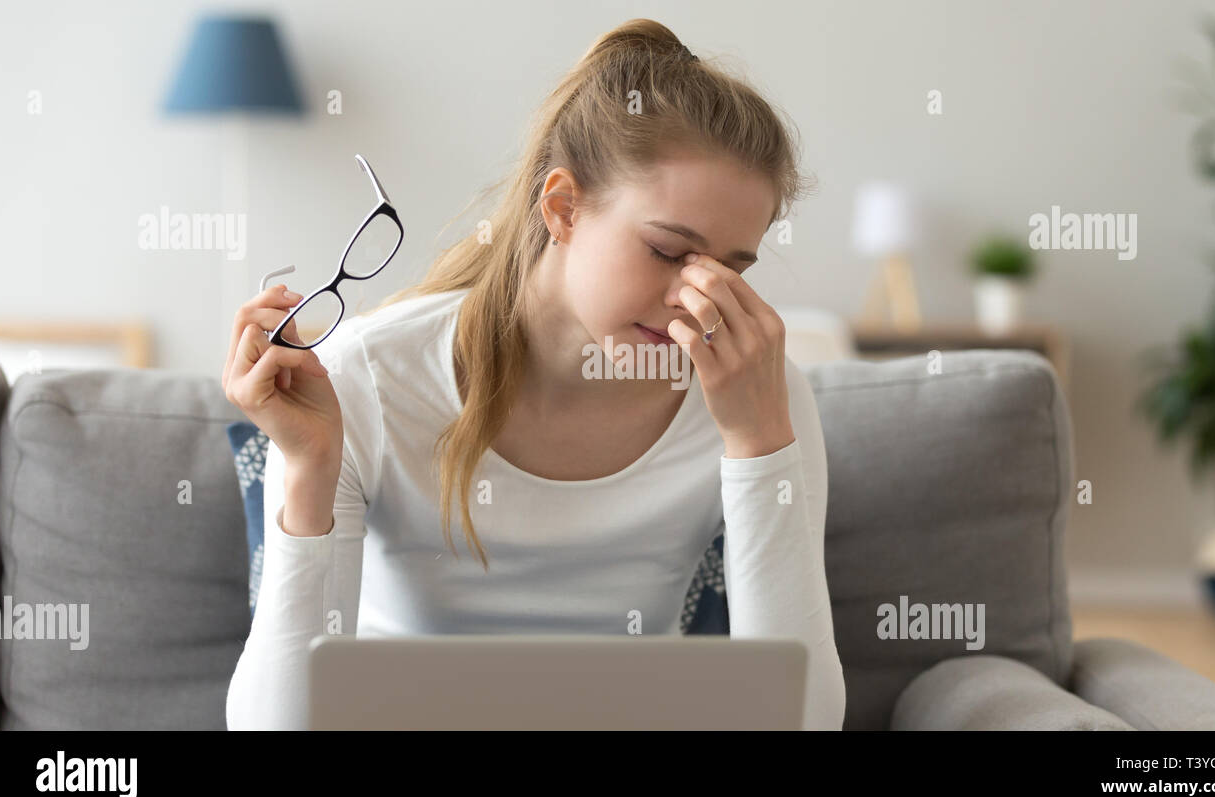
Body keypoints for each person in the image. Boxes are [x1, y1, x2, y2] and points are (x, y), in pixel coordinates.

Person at [221, 18, 845, 730]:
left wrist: (761, 443)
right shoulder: (368, 376)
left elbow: (803, 723)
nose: (697, 303)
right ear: (563, 208)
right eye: (670, 252)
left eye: (730, 270)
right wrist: (310, 468)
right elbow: (273, 727)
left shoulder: (757, 392)